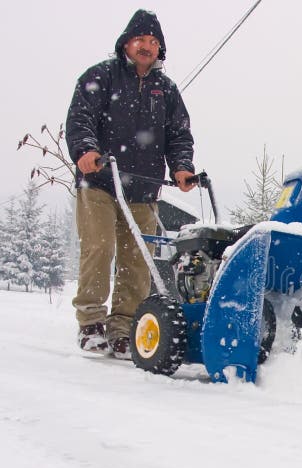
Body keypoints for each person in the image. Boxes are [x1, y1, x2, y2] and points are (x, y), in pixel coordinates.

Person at [66, 9, 196, 359]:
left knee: (137, 259)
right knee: (100, 246)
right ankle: (91, 323)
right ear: (126, 42)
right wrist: (85, 150)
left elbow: (179, 135)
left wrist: (182, 168)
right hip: (100, 181)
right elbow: (80, 119)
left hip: (143, 187)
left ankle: (123, 327)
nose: (147, 47)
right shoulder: (101, 77)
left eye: (154, 42)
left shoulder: (165, 90)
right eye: (142, 39)